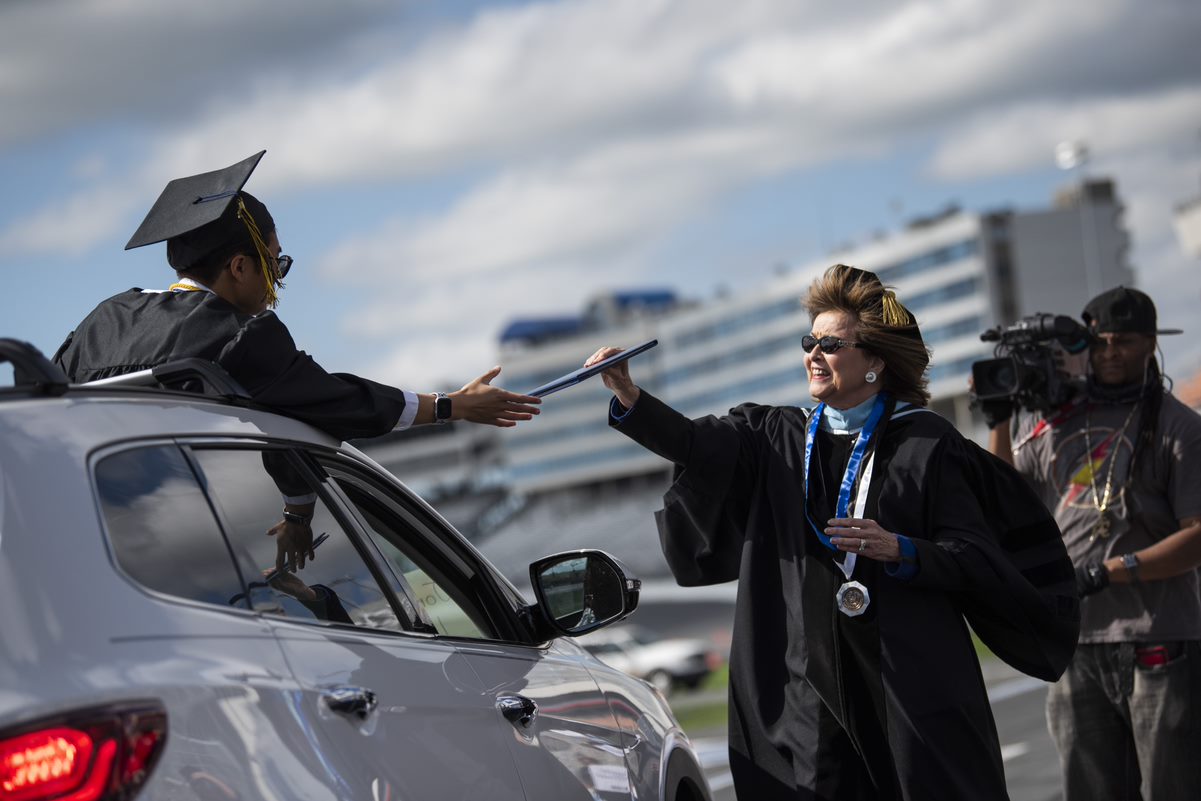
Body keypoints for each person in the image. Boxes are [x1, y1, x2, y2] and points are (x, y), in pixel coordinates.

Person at [585, 264, 1079, 801]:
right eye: (810, 341)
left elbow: (976, 553)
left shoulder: (926, 445)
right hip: (803, 681)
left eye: (831, 344)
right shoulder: (775, 437)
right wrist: (630, 394)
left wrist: (904, 549)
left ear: (875, 362)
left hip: (908, 675)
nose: (814, 355)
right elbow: (694, 443)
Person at [54, 150, 540, 571]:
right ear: (240, 267)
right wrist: (450, 406)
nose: (277, 280)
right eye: (275, 263)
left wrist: (297, 513)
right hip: (175, 543)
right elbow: (330, 402)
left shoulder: (104, 319)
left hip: (75, 525)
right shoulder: (240, 333)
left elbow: (278, 420)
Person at [985, 286, 1201, 801]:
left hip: (1160, 641)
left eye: (1123, 341)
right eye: (1098, 342)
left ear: (1150, 343)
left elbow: (1196, 540)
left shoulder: (1180, 428)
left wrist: (1109, 571)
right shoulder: (1051, 426)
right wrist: (998, 421)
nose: (1108, 353)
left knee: (1175, 790)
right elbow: (1000, 504)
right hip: (1075, 643)